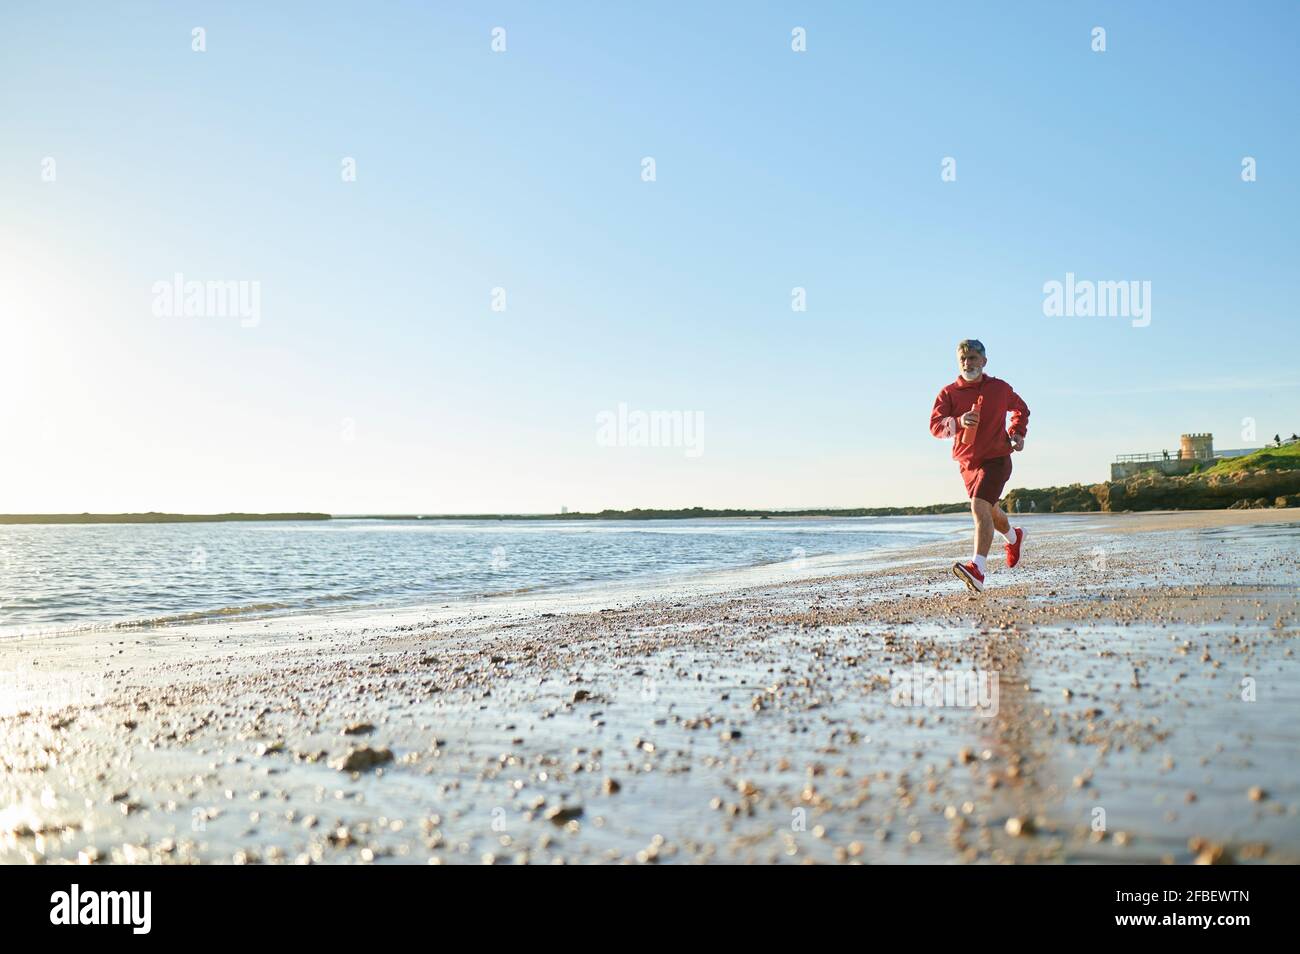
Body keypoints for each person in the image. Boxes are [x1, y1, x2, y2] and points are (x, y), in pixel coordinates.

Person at [929, 339, 1030, 593]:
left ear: (984, 361)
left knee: (979, 507)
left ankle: (978, 570)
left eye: (972, 357)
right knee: (991, 512)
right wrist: (959, 421)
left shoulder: (998, 388)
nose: (967, 362)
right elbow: (935, 427)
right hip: (968, 464)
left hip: (997, 458)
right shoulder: (949, 393)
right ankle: (1014, 538)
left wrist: (1017, 433)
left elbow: (1021, 409)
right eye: (963, 358)